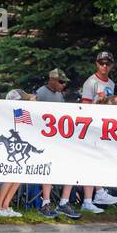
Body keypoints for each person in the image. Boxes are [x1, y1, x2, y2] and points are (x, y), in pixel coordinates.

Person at [31, 69, 81, 219]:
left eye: (64, 82)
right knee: (49, 165)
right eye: (60, 82)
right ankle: (45, 202)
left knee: (73, 163)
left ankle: (64, 202)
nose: (63, 85)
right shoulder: (41, 93)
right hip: (43, 140)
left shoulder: (59, 95)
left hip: (58, 139)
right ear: (51, 80)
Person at [75, 55, 117, 213]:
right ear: (97, 64)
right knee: (91, 160)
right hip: (92, 126)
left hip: (104, 126)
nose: (104, 66)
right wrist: (98, 101)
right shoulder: (91, 82)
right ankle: (92, 197)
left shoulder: (111, 83)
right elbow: (85, 106)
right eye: (102, 63)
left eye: (108, 64)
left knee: (97, 160)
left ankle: (95, 195)